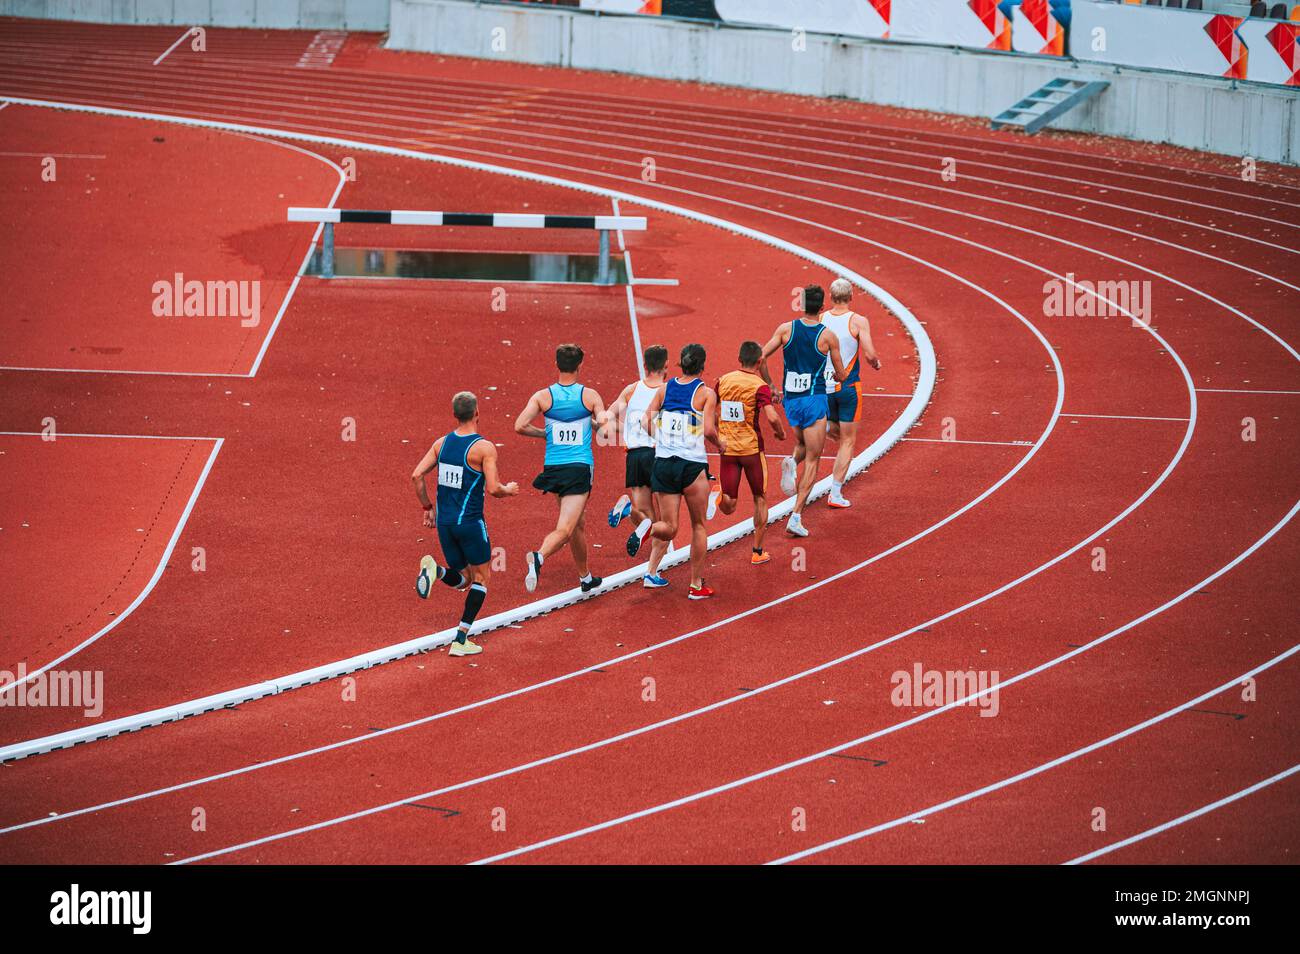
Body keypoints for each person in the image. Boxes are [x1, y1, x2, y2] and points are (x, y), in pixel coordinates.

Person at [413, 391, 519, 657]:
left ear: (454, 414)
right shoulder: (483, 448)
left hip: (445, 525)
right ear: (477, 413)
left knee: (464, 580)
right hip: (470, 523)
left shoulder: (441, 444)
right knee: (482, 578)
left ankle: (436, 571)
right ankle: (460, 639)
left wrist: (428, 508)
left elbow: (416, 475)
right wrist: (509, 490)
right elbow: (493, 489)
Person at [514, 343, 610, 595]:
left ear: (556, 365)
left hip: (553, 469)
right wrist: (600, 424)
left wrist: (545, 434)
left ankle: (585, 577)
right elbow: (604, 426)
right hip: (578, 469)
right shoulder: (589, 396)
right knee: (565, 529)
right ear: (580, 365)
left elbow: (520, 426)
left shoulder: (543, 396)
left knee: (577, 524)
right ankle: (539, 556)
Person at [761, 283, 847, 538]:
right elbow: (841, 372)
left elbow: (760, 357)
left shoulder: (786, 329)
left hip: (791, 402)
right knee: (814, 457)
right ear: (821, 309)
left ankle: (791, 461)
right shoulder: (828, 336)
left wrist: (771, 386)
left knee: (802, 444)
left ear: (801, 304)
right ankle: (796, 515)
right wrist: (843, 375)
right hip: (814, 400)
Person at [642, 343, 724, 597]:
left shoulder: (665, 389)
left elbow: (646, 419)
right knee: (698, 525)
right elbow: (709, 430)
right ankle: (696, 585)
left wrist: (662, 440)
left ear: (680, 363)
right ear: (703, 366)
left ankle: (647, 527)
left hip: (664, 463)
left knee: (669, 525)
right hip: (691, 466)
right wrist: (721, 445)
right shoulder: (706, 393)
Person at [709, 340, 786, 564]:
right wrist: (780, 433)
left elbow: (712, 411)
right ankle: (758, 551)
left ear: (739, 359)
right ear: (759, 361)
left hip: (728, 451)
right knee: (760, 498)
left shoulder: (723, 381)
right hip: (752, 451)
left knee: (729, 505)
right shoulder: (759, 385)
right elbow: (771, 416)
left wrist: (721, 428)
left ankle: (718, 497)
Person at [607, 345, 672, 567]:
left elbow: (607, 418)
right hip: (659, 455)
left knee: (646, 516)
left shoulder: (631, 390)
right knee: (666, 523)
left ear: (645, 366)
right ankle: (652, 573)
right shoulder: (668, 391)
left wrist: (628, 429)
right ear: (666, 365)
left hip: (634, 456)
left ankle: (628, 510)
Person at [822, 278, 882, 509]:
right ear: (851, 297)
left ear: (830, 296)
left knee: (836, 432)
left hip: (823, 386)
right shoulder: (858, 321)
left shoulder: (821, 319)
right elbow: (869, 354)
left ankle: (826, 426)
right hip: (848, 386)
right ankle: (835, 493)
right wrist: (876, 363)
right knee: (847, 441)